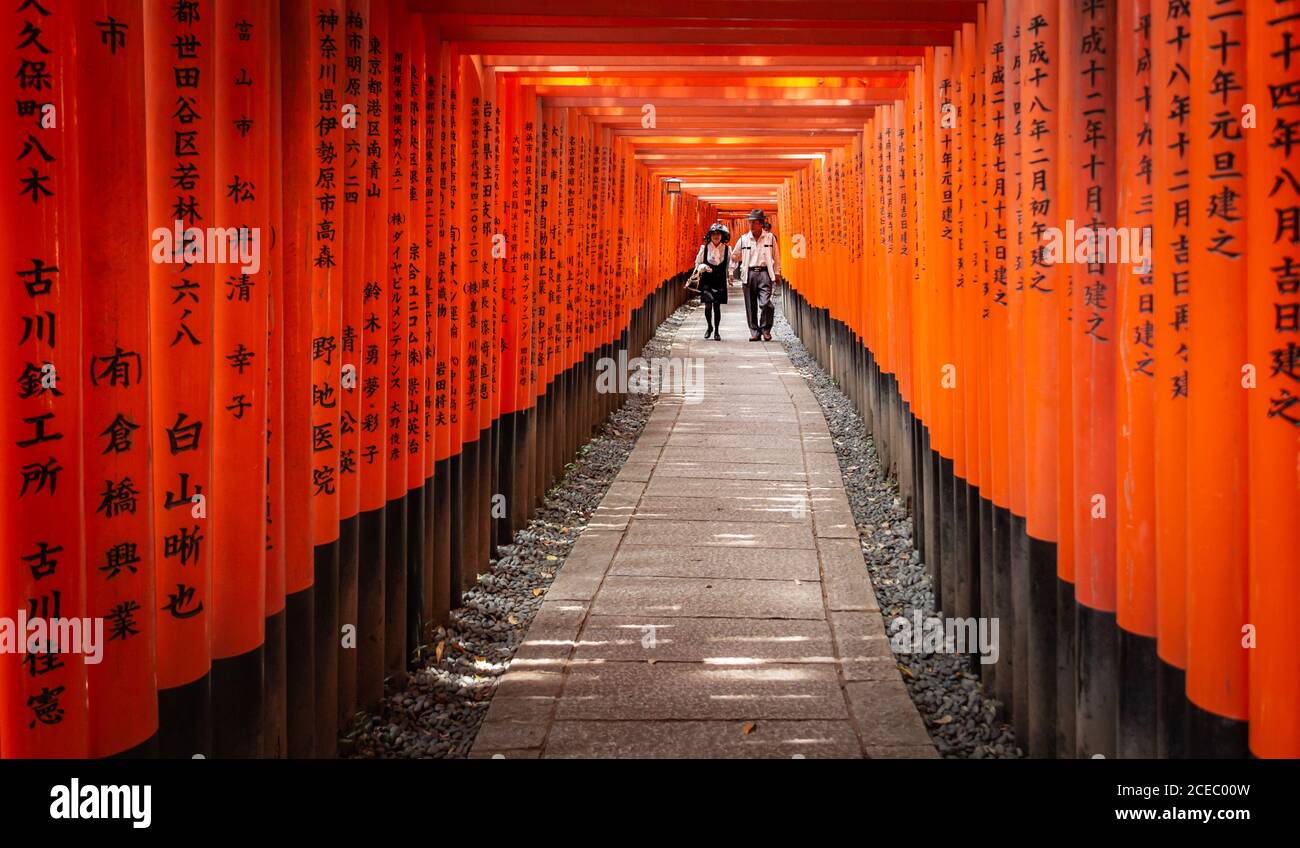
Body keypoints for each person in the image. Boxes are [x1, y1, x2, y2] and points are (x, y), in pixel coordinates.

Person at [731, 209, 780, 341]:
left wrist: (777, 272)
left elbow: (776, 255)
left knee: (766, 303)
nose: (751, 225)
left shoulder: (770, 238)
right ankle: (754, 332)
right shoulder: (744, 239)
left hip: (765, 273)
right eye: (750, 222)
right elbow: (734, 255)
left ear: (761, 224)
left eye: (754, 222)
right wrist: (736, 267)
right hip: (749, 273)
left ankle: (765, 329)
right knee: (750, 305)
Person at [692, 222, 730, 339]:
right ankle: (709, 326)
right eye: (713, 234)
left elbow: (729, 264)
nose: (716, 236)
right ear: (710, 235)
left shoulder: (727, 249)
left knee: (717, 306)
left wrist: (731, 274)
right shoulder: (704, 248)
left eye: (718, 234)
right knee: (708, 305)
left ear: (722, 236)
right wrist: (702, 267)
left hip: (719, 280)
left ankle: (717, 331)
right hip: (707, 280)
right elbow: (698, 262)